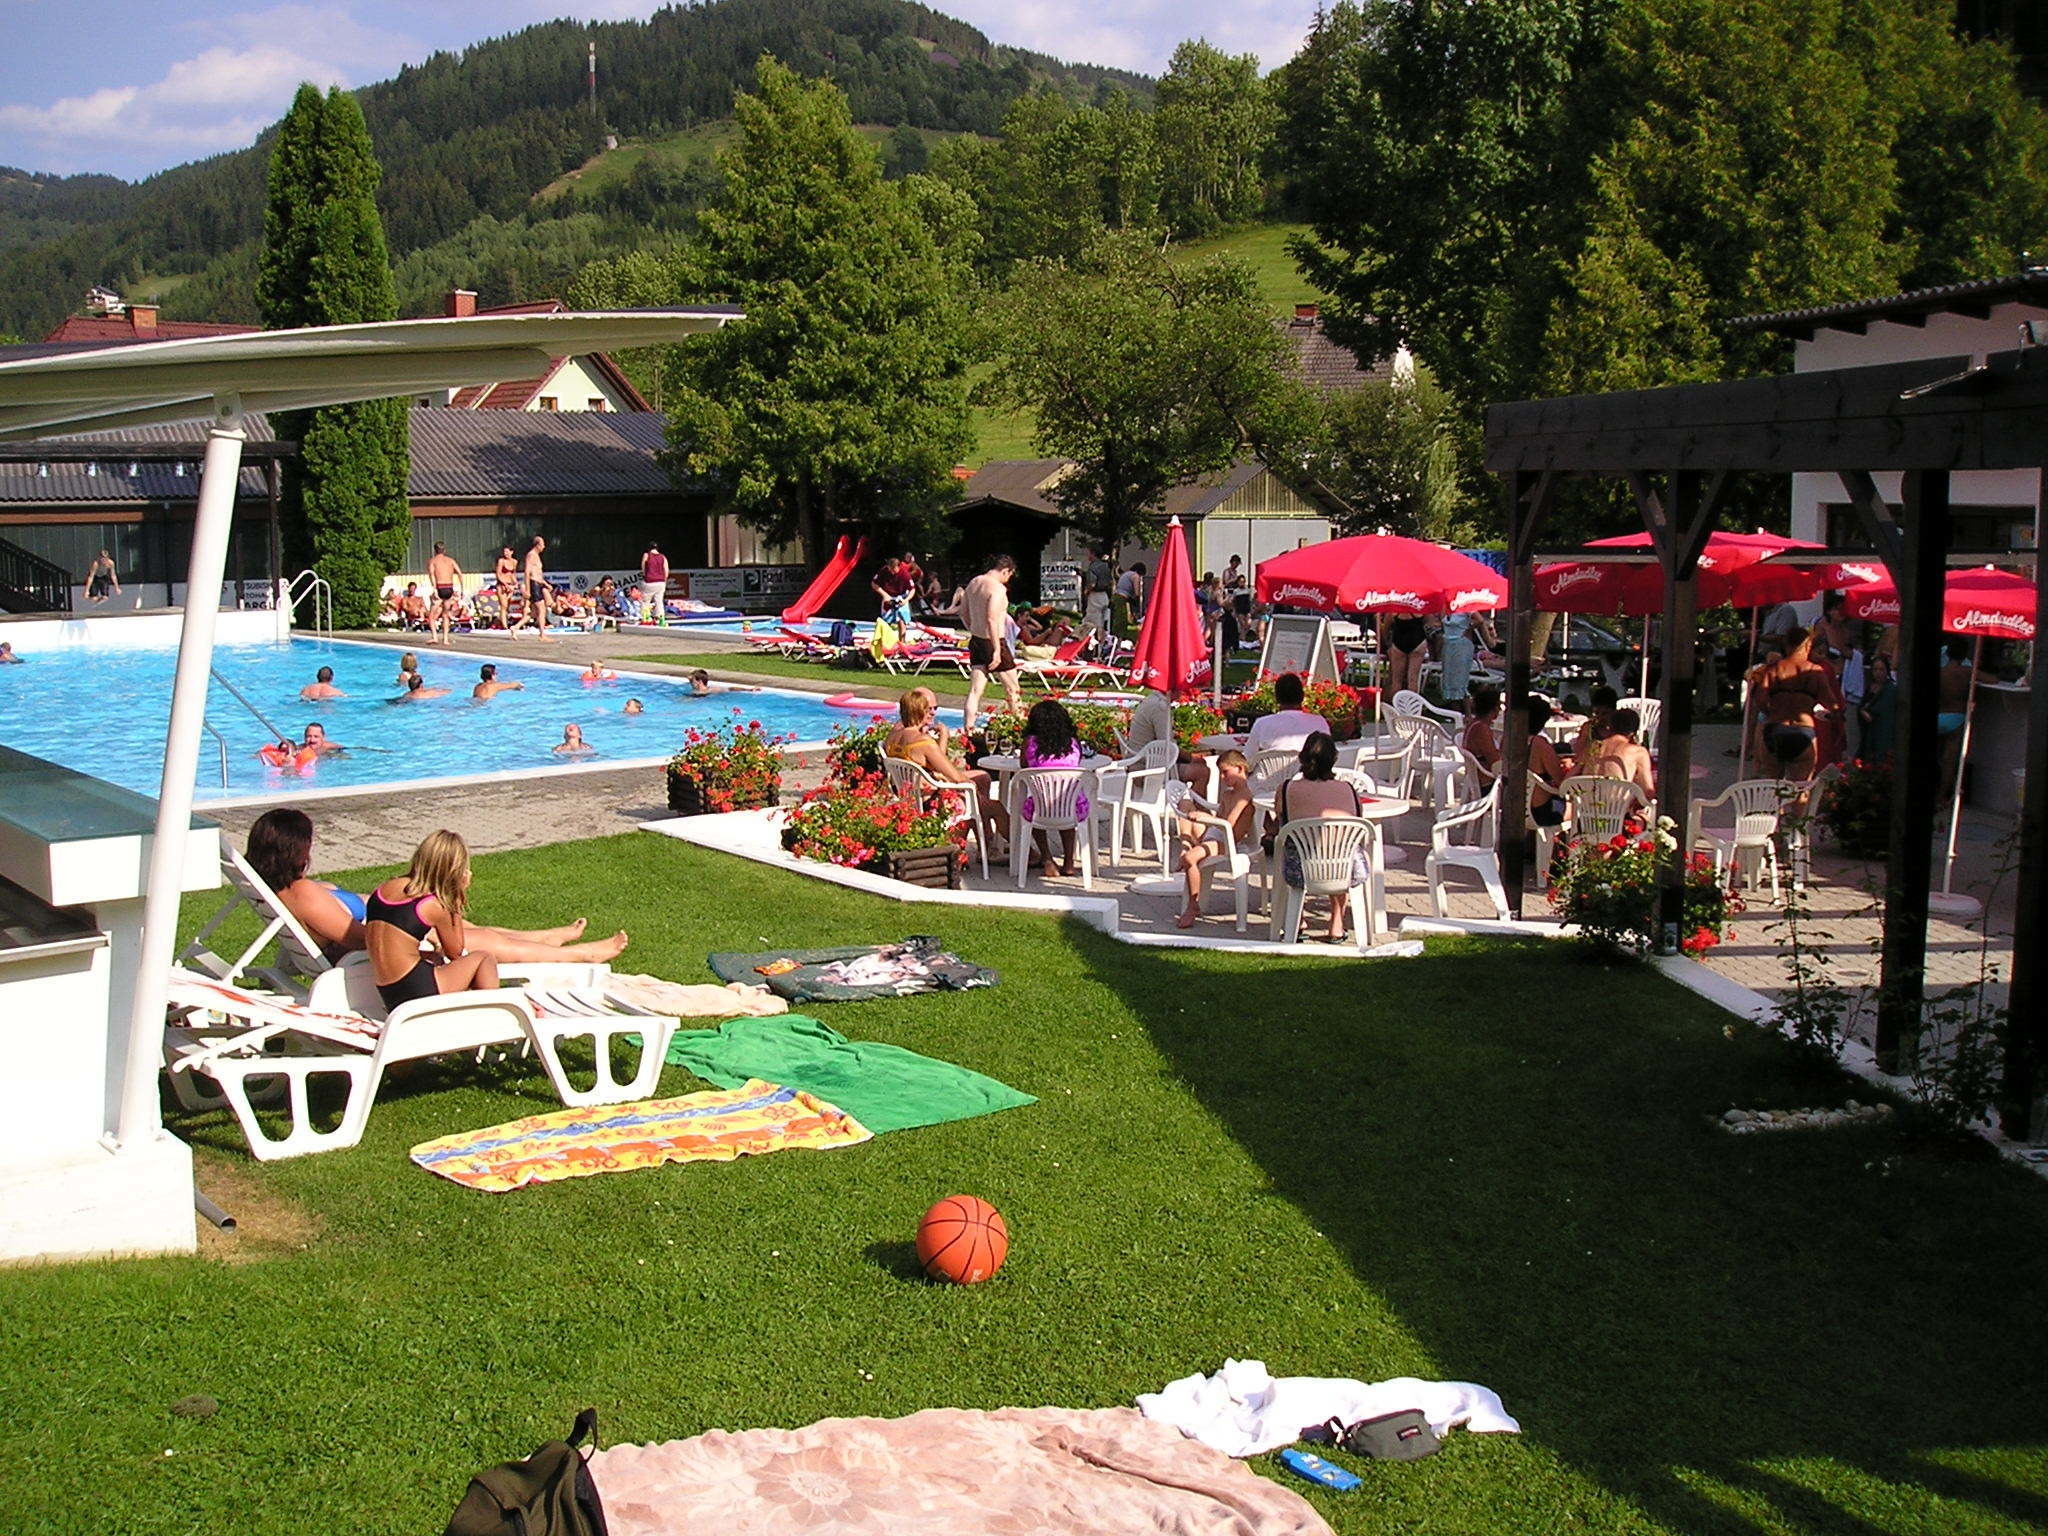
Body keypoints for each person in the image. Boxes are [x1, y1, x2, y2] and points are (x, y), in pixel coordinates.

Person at [244, 810, 626, 969]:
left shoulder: (287, 888)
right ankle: (581, 955)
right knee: (477, 941)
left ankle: (545, 938)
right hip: (384, 948)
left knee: (476, 931)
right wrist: (405, 920)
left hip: (386, 925)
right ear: (294, 849)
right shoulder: (303, 895)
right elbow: (363, 938)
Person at [364, 831, 502, 1009]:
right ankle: (492, 1015)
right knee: (483, 959)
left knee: (434, 958)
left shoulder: (383, 890)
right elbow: (456, 952)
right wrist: (457, 896)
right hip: (416, 992)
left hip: (389, 992)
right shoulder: (432, 906)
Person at [1266, 732, 1370, 942]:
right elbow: (1358, 823)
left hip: (1301, 870)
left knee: (1294, 845)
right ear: (1333, 760)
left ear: (1302, 758)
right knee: (1344, 848)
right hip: (1343, 870)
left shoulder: (1286, 789)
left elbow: (1280, 823)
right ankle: (1336, 924)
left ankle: (1299, 919)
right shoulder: (1348, 789)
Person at [884, 688, 1009, 851]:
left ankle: (985, 847)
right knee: (995, 807)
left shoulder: (892, 737)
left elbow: (933, 767)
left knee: (982, 778)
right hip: (933, 800)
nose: (932, 713)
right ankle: (1027, 854)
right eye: (928, 710)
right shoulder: (923, 742)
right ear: (919, 711)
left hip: (913, 797)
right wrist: (971, 786)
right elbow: (955, 776)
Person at [1175, 749, 1253, 929]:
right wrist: (1201, 817)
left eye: (1225, 772)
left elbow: (1228, 825)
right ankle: (1185, 846)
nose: (1223, 778)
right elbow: (1218, 821)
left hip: (1228, 842)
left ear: (1240, 768)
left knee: (1190, 859)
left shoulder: (1244, 796)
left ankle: (1193, 906)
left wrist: (1204, 818)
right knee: (1185, 806)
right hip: (1216, 834)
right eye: (1220, 773)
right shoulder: (1228, 794)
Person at [1759, 626, 1839, 781]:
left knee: (1772, 787)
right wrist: (1831, 716)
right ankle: (1798, 805)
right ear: (1808, 646)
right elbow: (1833, 704)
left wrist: (1773, 712)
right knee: (1801, 790)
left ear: (1786, 645)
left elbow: (1761, 701)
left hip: (1775, 729)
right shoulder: (1815, 672)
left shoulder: (1772, 670)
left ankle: (1776, 805)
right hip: (1803, 731)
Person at [1020, 698, 1087, 876]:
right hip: (1072, 806)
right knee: (1068, 805)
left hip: (1042, 806)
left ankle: (1047, 858)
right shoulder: (1073, 743)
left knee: (1030, 807)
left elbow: (1024, 768)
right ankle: (1069, 862)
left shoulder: (1030, 743)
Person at [962, 553, 1022, 733]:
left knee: (975, 690)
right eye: (1009, 575)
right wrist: (997, 650)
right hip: (994, 641)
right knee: (1013, 689)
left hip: (977, 640)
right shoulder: (997, 589)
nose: (1008, 580)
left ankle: (968, 730)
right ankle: (1021, 730)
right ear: (1005, 571)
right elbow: (991, 618)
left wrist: (973, 628)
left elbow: (963, 612)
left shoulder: (974, 583)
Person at [1243, 672, 1331, 758]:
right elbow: (1328, 756)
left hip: (1270, 772)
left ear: (1276, 698)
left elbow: (1248, 759)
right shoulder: (1319, 722)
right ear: (1302, 696)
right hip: (1308, 772)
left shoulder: (1262, 724)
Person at [1591, 707, 1656, 800]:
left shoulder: (1593, 747)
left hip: (1588, 809)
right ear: (1633, 732)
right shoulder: (1638, 752)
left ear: (1610, 726)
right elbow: (1648, 792)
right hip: (1617, 810)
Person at [1525, 696, 1569, 830]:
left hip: (1512, 806)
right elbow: (1561, 782)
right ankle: (1563, 848)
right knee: (1577, 806)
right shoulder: (1539, 744)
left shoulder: (1508, 740)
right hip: (1539, 811)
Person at [1938, 638, 1975, 797]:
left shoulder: (1942, 672)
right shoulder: (1967, 672)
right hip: (1957, 718)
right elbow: (1992, 679)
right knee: (1949, 761)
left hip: (1940, 716)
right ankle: (1941, 796)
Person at [1859, 652, 1898, 763]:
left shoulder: (1890, 689)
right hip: (1868, 733)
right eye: (1875, 670)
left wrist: (1867, 711)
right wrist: (1862, 710)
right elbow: (1862, 705)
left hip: (1883, 734)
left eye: (1881, 670)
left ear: (1887, 671)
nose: (1878, 673)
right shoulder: (1870, 687)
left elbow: (1883, 711)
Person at [1570, 685, 1619, 772]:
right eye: (1596, 713)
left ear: (1614, 712)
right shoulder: (1590, 728)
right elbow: (1578, 752)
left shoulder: (1618, 729)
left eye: (1605, 713)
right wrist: (1585, 733)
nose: (1600, 717)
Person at [1381, 611, 1428, 697]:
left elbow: (1386, 627)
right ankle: (1411, 706)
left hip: (1399, 640)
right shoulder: (1418, 606)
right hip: (1418, 640)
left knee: (1396, 680)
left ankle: (1395, 706)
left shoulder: (1394, 608)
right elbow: (1427, 622)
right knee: (1413, 679)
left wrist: (1386, 640)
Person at [1462, 683, 1502, 781]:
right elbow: (1495, 763)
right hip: (1485, 780)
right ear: (1494, 709)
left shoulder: (1474, 724)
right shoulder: (1481, 729)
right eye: (1499, 706)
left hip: (1477, 774)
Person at [1439, 610, 1478, 710]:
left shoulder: (1465, 607)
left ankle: (1467, 712)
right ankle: (1454, 710)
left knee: (1460, 679)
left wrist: (1468, 628)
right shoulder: (1445, 608)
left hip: (1461, 644)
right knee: (1448, 678)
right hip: (1448, 644)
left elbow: (1480, 620)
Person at [427, 542, 463, 644]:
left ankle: (435, 637)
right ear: (445, 550)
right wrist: (462, 588)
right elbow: (460, 573)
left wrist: (434, 589)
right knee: (445, 615)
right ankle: (446, 639)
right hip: (449, 588)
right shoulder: (450, 561)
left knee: (431, 616)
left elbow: (432, 575)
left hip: (440, 587)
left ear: (435, 550)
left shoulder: (433, 561)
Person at [871, 554, 917, 627]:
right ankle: (886, 636)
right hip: (888, 596)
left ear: (898, 567)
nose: (891, 571)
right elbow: (874, 583)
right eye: (890, 569)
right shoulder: (883, 571)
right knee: (885, 621)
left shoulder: (905, 574)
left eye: (893, 569)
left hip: (902, 596)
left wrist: (906, 600)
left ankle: (902, 638)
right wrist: (885, 595)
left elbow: (912, 589)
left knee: (902, 621)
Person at [520, 537, 552, 639]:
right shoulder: (531, 555)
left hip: (538, 584)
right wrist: (527, 589)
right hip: (534, 585)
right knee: (542, 610)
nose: (544, 547)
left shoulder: (537, 556)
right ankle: (542, 634)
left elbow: (538, 573)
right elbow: (527, 572)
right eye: (542, 544)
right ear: (537, 545)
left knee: (534, 612)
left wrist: (545, 584)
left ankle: (515, 628)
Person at [1083, 546, 1115, 637]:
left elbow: (1092, 583)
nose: (1088, 555)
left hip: (1095, 596)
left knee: (1093, 621)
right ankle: (1105, 641)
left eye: (1089, 553)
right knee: (1105, 620)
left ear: (1093, 554)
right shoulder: (1105, 566)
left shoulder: (1093, 566)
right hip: (1104, 596)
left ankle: (1095, 643)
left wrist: (1086, 591)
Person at [640, 542, 669, 623]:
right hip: (661, 582)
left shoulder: (647, 555)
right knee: (659, 601)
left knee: (645, 601)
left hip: (649, 581)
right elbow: (666, 571)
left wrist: (645, 576)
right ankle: (660, 618)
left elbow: (643, 569)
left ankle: (646, 618)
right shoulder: (663, 557)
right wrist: (664, 582)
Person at [1114, 561, 1146, 631]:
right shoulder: (1135, 575)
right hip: (1122, 597)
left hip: (1116, 596)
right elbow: (1137, 592)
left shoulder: (1126, 574)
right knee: (1122, 619)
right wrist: (1137, 603)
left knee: (1117, 616)